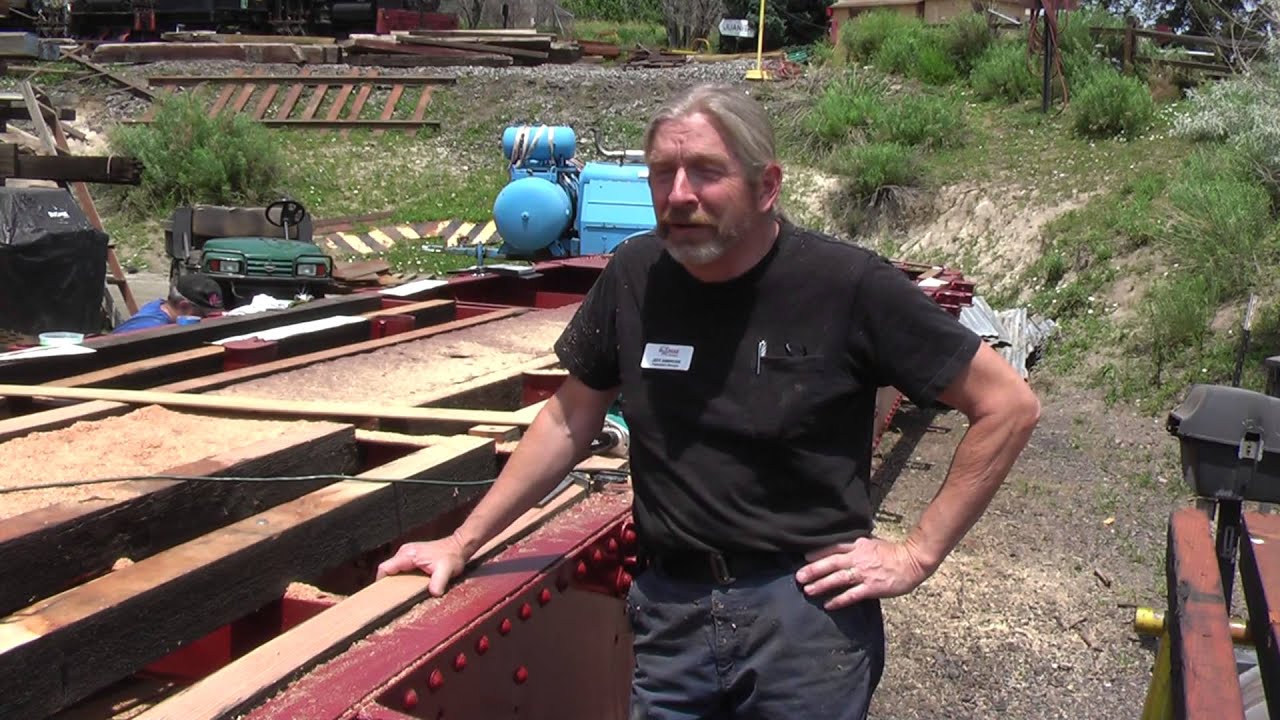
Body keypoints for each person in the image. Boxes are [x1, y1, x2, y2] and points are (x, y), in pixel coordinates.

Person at [376, 83, 1041, 719]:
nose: (679, 193)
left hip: (805, 618)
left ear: (767, 186)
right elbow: (568, 419)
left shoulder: (845, 284)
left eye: (705, 171)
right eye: (662, 173)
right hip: (671, 612)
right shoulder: (635, 276)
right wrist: (462, 543)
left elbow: (1007, 404)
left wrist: (917, 553)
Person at [111, 273, 224, 334]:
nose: (206, 320)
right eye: (203, 315)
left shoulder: (160, 306)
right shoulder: (151, 330)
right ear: (183, 306)